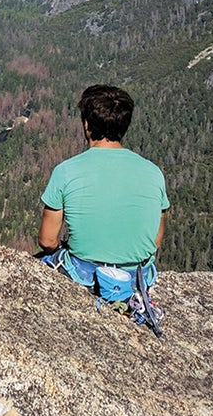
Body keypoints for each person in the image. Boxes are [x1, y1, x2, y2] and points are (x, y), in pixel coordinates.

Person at [37, 84, 169, 296]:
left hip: (85, 274)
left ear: (87, 124)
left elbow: (47, 240)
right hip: (136, 278)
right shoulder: (153, 172)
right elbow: (156, 240)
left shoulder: (66, 171)